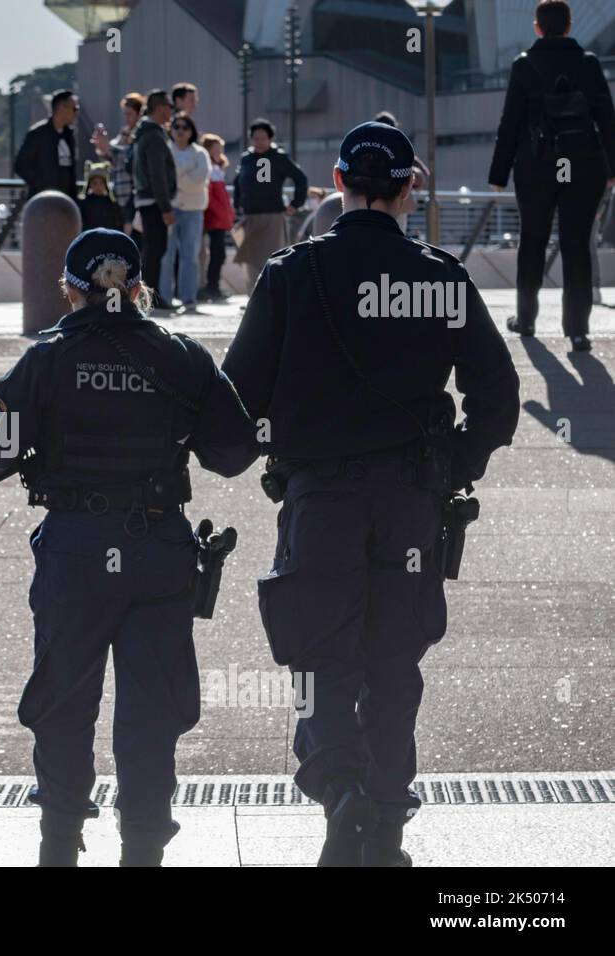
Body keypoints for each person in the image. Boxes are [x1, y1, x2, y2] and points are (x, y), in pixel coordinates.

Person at [222, 122, 520, 867]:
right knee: (394, 659)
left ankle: (339, 788)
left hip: (319, 497)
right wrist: (457, 463)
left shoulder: (291, 275)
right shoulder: (440, 277)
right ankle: (386, 808)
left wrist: (260, 449)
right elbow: (498, 392)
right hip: (411, 498)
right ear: (410, 187)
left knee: (320, 657)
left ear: (337, 181)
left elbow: (237, 396)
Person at [0, 228, 260, 867]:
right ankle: (144, 849)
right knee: (151, 715)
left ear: (70, 290)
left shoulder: (46, 359)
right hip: (157, 549)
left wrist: (41, 450)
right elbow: (235, 453)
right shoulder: (182, 356)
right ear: (139, 288)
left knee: (63, 704)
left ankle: (60, 844)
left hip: (75, 550)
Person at [488, 0, 615, 352]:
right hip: (583, 166)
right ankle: (578, 331)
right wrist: (612, 169)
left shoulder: (525, 66)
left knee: (532, 240)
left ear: (537, 27)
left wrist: (499, 172)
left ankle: (526, 319)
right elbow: (607, 117)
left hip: (537, 166)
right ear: (570, 25)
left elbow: (509, 122)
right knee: (577, 245)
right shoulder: (588, 64)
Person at [232, 119, 308, 289]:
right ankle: (253, 299)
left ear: (270, 138)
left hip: (272, 216)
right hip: (250, 216)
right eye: (255, 139)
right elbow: (237, 183)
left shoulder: (279, 157)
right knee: (250, 262)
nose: (259, 142)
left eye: (263, 138)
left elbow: (300, 178)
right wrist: (238, 205)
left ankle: (272, 298)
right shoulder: (247, 159)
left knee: (272, 259)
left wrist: (296, 203)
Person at [159, 113, 210, 313]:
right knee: (167, 255)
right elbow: (165, 178)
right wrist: (185, 173)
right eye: (176, 127)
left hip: (193, 210)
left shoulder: (200, 153)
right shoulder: (165, 150)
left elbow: (200, 179)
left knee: (190, 256)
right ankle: (164, 298)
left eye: (185, 127)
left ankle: (189, 298)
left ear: (192, 131)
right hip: (169, 208)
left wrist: (177, 177)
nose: (180, 131)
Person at [131, 90, 178, 308]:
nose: (172, 111)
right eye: (170, 106)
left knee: (152, 249)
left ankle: (148, 297)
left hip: (144, 199)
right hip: (153, 201)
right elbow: (157, 174)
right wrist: (166, 207)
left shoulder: (141, 134)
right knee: (155, 250)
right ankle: (151, 299)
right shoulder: (154, 136)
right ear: (160, 107)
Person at [92, 92, 144, 242]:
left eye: (130, 114)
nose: (127, 118)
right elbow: (111, 158)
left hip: (135, 193)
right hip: (121, 192)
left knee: (133, 236)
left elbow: (129, 154)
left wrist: (107, 147)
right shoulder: (124, 134)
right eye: (125, 114)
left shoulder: (141, 133)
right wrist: (102, 148)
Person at [15, 89, 81, 200]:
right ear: (61, 108)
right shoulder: (37, 134)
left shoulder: (69, 135)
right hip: (43, 203)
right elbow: (20, 165)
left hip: (66, 203)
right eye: (74, 109)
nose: (76, 113)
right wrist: (41, 185)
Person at [200, 133, 235, 302]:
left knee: (217, 254)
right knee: (216, 253)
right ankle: (211, 287)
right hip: (214, 218)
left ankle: (213, 286)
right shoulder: (210, 169)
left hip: (219, 217)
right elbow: (213, 198)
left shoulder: (218, 168)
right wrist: (222, 212)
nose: (218, 151)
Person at [77, 161, 124, 232]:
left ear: (105, 184)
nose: (98, 186)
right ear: (89, 185)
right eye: (95, 183)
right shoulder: (83, 204)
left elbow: (118, 225)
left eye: (101, 183)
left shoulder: (111, 203)